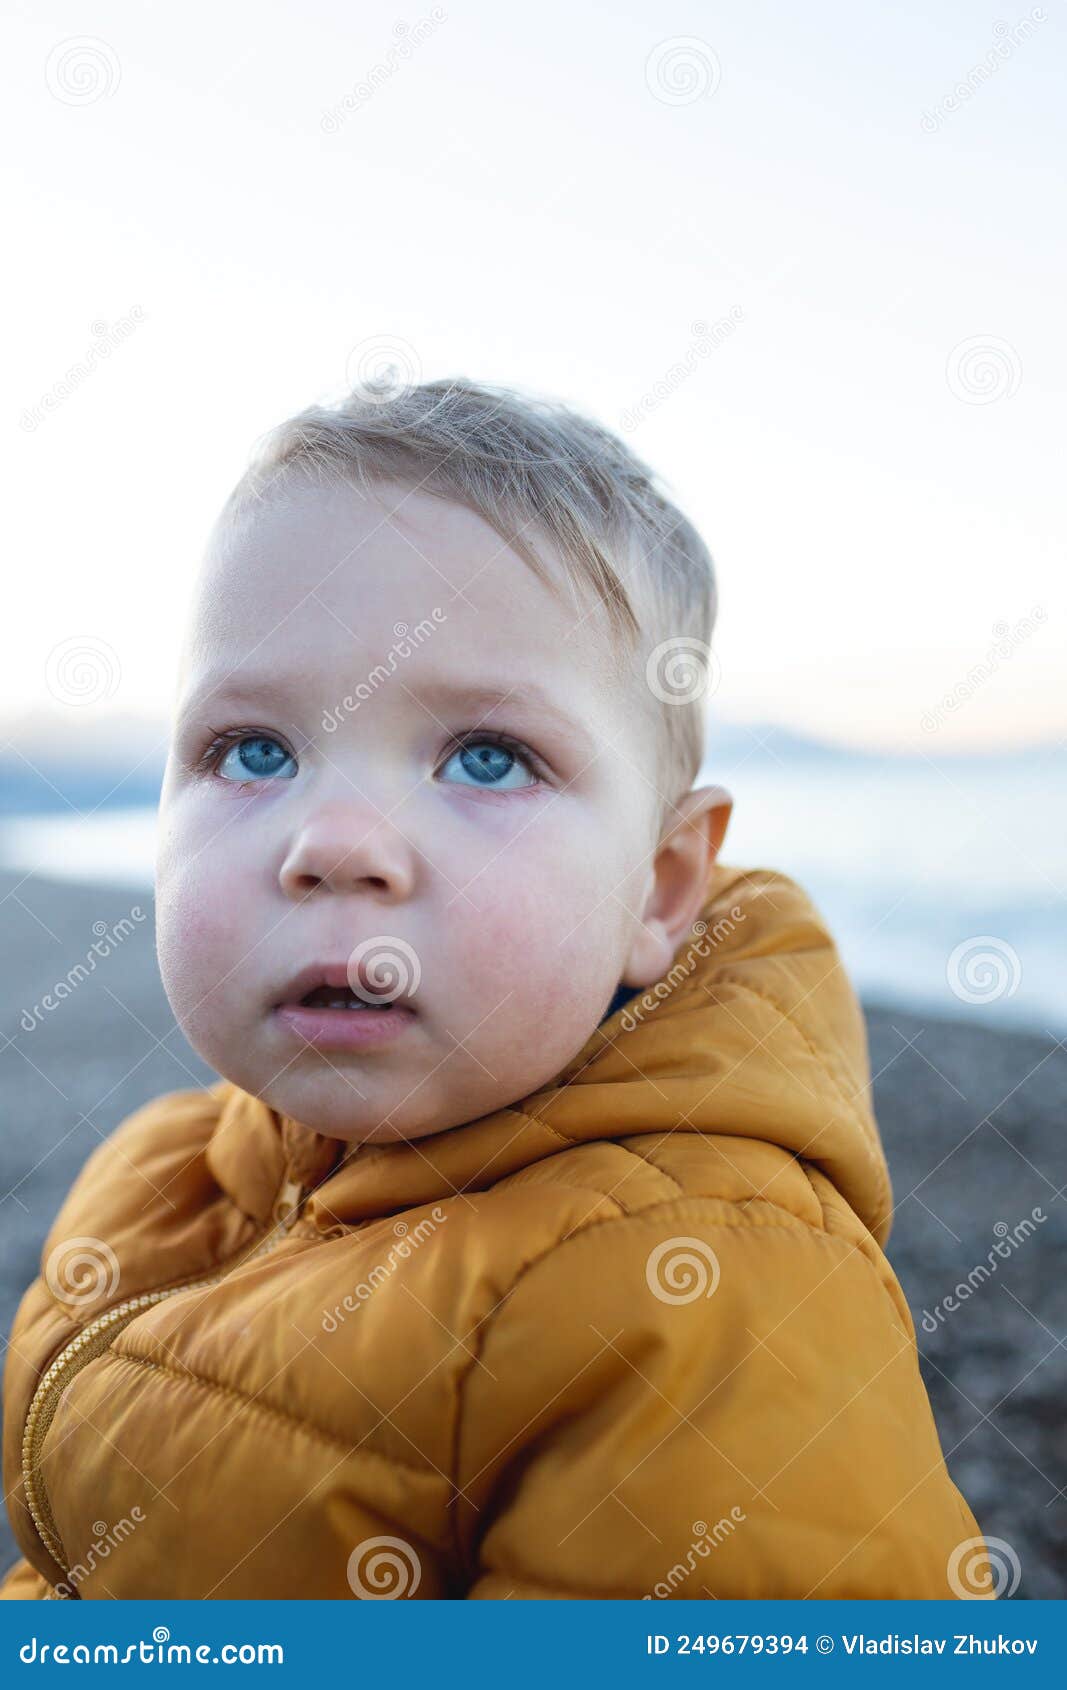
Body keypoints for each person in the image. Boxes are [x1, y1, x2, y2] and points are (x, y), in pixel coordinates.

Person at [1, 378, 986, 1599]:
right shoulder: (168, 1169)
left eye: (485, 757)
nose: (336, 842)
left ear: (658, 885)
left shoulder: (702, 1298)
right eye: (253, 750)